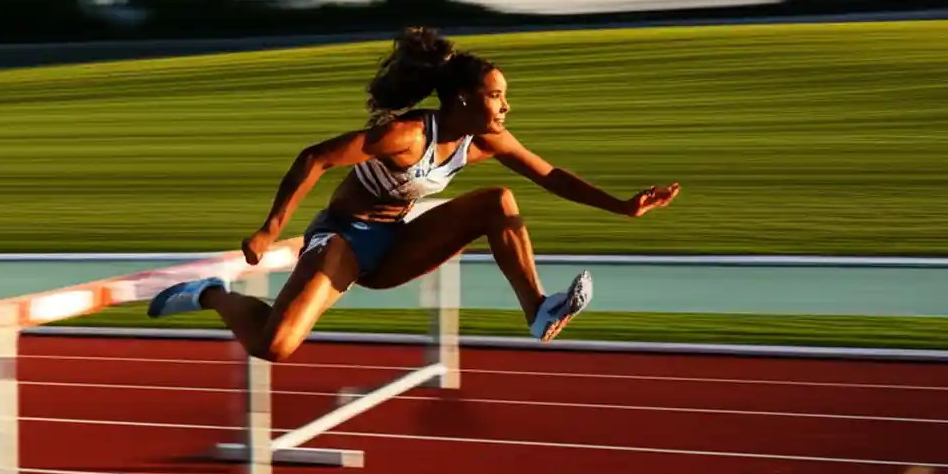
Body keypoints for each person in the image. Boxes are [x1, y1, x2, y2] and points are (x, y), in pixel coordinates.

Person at [148, 26, 679, 362]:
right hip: (343, 240)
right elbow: (316, 157)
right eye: (496, 96)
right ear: (463, 99)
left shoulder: (486, 140)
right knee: (274, 346)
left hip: (396, 242)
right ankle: (211, 294)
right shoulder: (405, 136)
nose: (506, 107)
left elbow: (551, 175)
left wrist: (623, 207)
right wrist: (271, 229)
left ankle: (537, 308)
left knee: (498, 201)